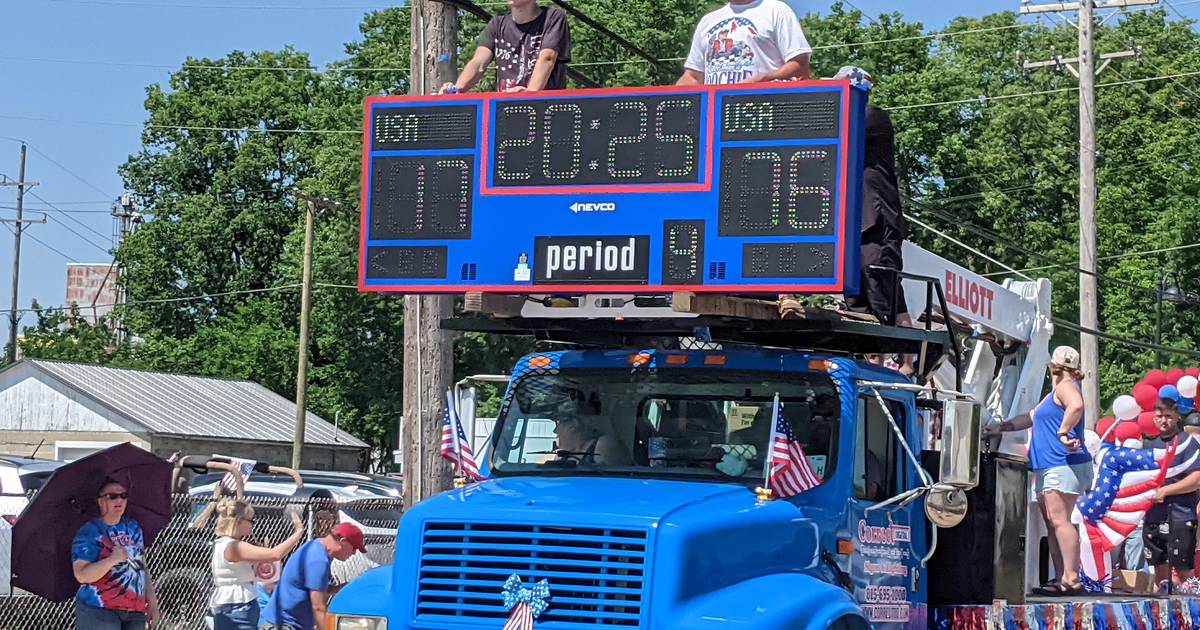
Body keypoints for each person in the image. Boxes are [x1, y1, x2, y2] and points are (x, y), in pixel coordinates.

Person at [985, 346, 1090, 595]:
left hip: (1062, 463)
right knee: (1053, 522)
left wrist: (1063, 431)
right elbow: (1030, 417)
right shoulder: (1055, 392)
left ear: (1052, 366)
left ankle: (1071, 578)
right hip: (1051, 464)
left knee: (1059, 520)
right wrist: (1001, 427)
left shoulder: (1065, 386)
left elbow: (1076, 406)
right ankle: (1062, 577)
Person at [71, 479, 160, 630]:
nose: (119, 500)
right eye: (112, 496)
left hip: (135, 611)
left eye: (123, 496)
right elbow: (82, 575)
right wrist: (112, 560)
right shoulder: (89, 531)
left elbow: (142, 567)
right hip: (100, 611)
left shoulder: (133, 527)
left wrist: (152, 602)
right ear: (100, 501)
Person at [208, 499, 305, 630]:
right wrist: (298, 533)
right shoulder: (234, 546)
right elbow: (275, 554)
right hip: (237, 605)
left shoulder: (223, 543)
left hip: (232, 604)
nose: (253, 525)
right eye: (251, 521)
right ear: (238, 521)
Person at [441, 0, 570, 93]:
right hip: (505, 108)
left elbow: (547, 58)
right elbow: (478, 63)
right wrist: (456, 90)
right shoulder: (497, 24)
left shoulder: (553, 17)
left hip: (544, 108)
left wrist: (530, 95)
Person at [677, 0, 812, 86]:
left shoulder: (777, 10)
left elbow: (800, 66)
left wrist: (764, 79)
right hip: (715, 115)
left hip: (764, 110)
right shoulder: (708, 20)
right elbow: (693, 76)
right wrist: (667, 102)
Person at [260, 522, 366, 630]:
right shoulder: (318, 560)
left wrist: (340, 588)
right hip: (284, 624)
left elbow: (314, 588)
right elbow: (318, 607)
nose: (354, 553)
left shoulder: (316, 546)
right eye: (354, 548)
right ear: (343, 541)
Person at [1143, 395, 1200, 594]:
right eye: (1159, 416)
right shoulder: (1149, 446)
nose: (1164, 420)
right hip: (1153, 516)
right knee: (1160, 575)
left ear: (1177, 417)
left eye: (1168, 416)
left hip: (1180, 516)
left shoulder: (1188, 444)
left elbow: (1196, 480)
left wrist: (1166, 490)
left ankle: (1193, 611)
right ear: (1154, 419)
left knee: (1185, 575)